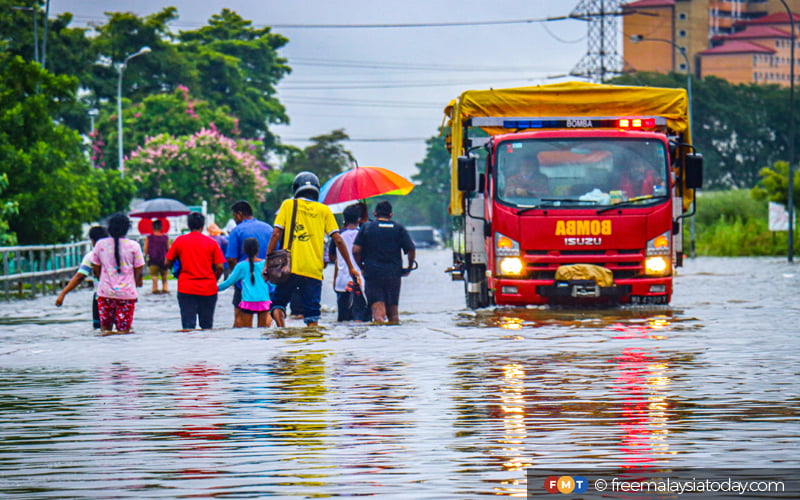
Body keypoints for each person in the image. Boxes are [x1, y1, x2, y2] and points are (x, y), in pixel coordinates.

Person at [266, 171, 359, 328]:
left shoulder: (288, 205)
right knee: (312, 313)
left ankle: (281, 327)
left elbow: (276, 234)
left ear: (296, 189)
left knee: (278, 303)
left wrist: (268, 263)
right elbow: (338, 239)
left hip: (288, 267)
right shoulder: (324, 210)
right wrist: (351, 267)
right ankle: (312, 345)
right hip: (313, 270)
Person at [352, 200, 416, 324]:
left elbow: (356, 250)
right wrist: (408, 266)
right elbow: (411, 249)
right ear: (391, 214)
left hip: (373, 272)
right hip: (393, 273)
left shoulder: (367, 227)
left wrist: (361, 266)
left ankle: (380, 339)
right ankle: (393, 340)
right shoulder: (399, 228)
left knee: (378, 312)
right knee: (393, 313)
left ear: (375, 213)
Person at [165, 212, 226, 330]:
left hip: (186, 287)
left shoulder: (180, 241)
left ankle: (189, 349)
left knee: (188, 327)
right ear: (203, 226)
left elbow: (167, 262)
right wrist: (214, 279)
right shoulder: (211, 243)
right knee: (207, 327)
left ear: (188, 225)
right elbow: (220, 267)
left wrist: (176, 271)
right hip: (208, 288)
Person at [91, 213, 144, 334]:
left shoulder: (100, 244)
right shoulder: (133, 246)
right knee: (124, 331)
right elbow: (139, 269)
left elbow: (96, 267)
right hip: (126, 294)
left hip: (105, 294)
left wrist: (103, 281)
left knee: (105, 330)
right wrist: (133, 284)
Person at [225, 200, 273, 327]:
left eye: (234, 216)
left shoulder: (237, 231)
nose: (235, 219)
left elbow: (231, 259)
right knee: (266, 319)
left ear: (239, 214)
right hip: (266, 282)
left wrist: (237, 276)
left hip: (244, 284)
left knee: (240, 320)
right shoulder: (269, 228)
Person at [55, 225, 109, 329]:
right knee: (122, 328)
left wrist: (63, 293)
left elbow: (80, 276)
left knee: (101, 330)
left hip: (101, 296)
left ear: (92, 241)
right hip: (121, 296)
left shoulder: (91, 256)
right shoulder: (119, 253)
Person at [218, 237, 272, 328]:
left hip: (248, 302)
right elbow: (273, 283)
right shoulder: (265, 264)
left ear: (244, 250)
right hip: (264, 301)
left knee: (247, 331)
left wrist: (213, 288)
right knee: (263, 331)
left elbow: (228, 282)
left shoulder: (241, 266)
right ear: (258, 250)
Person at [331, 204, 369, 322]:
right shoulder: (364, 234)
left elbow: (334, 258)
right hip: (361, 281)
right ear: (359, 218)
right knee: (361, 319)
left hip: (342, 281)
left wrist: (335, 278)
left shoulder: (337, 235)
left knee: (343, 320)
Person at [143, 219, 170, 294]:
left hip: (153, 260)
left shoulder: (148, 238)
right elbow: (168, 249)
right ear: (161, 228)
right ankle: (165, 289)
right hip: (163, 260)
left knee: (154, 277)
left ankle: (155, 289)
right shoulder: (166, 238)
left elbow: (145, 249)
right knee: (164, 277)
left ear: (152, 227)